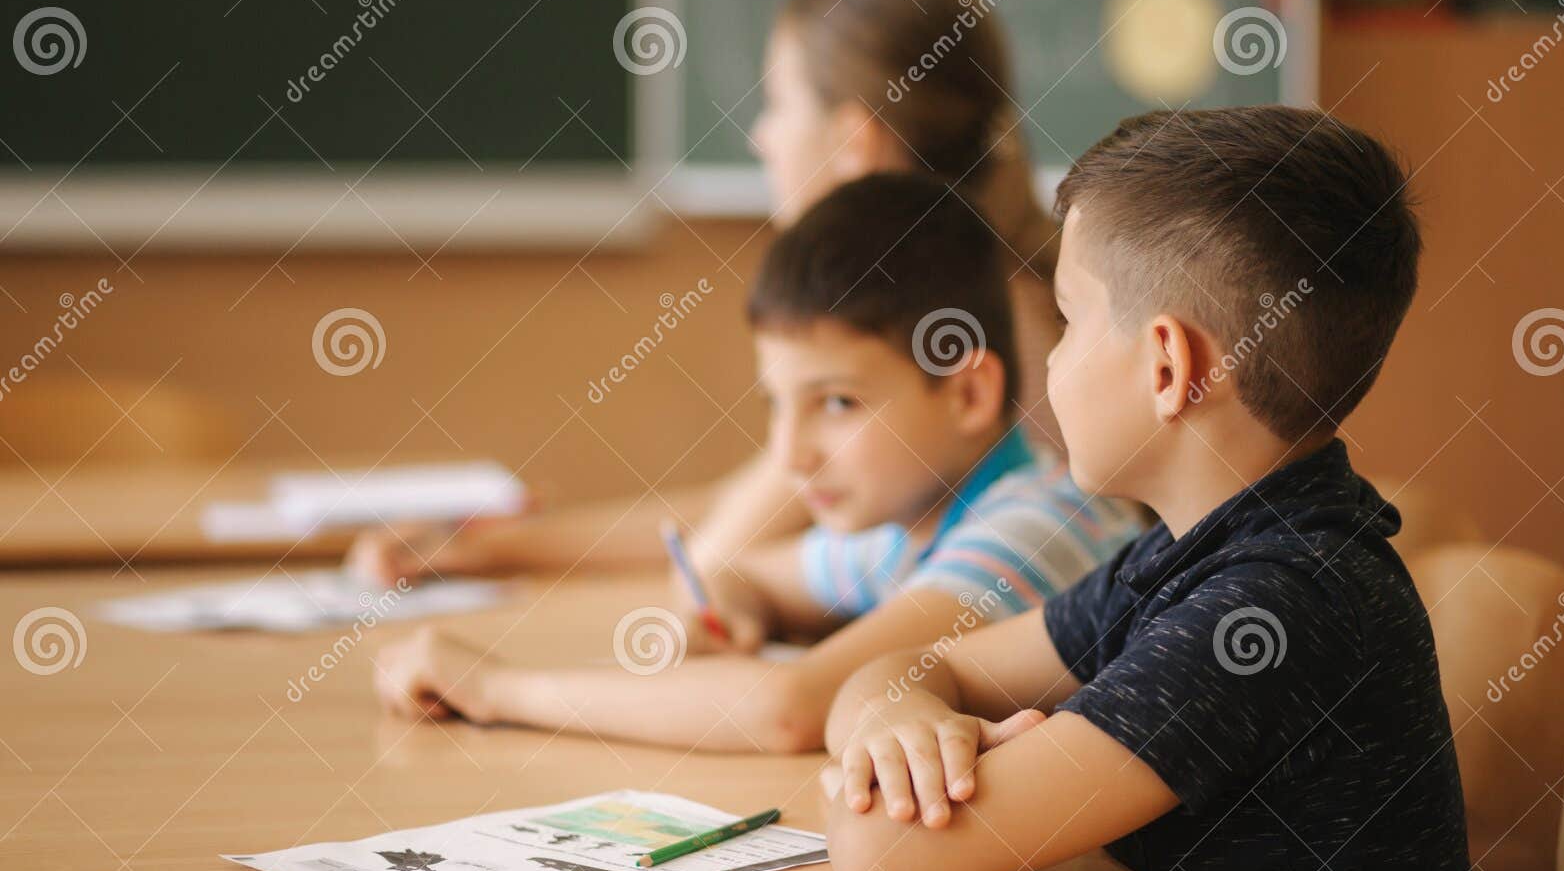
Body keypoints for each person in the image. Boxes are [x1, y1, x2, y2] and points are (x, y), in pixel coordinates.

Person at [822, 107, 1487, 871]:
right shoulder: (1194, 549)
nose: (1049, 363)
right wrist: (900, 724)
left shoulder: (1273, 608)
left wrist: (906, 754)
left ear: (1169, 366)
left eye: (1067, 321)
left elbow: (885, 856)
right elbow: (900, 668)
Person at [347, 0, 1064, 584]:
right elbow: (742, 500)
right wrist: (495, 544)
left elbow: (719, 551)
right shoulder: (968, 293)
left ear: (853, 141)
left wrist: (496, 549)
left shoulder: (966, 336)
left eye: (778, 105)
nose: (761, 136)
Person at [371, 174, 1139, 752]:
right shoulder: (906, 525)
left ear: (968, 392)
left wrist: (499, 687)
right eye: (777, 403)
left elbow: (789, 710)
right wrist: (737, 601)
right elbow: (750, 574)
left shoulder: (1036, 527)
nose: (790, 453)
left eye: (837, 402)